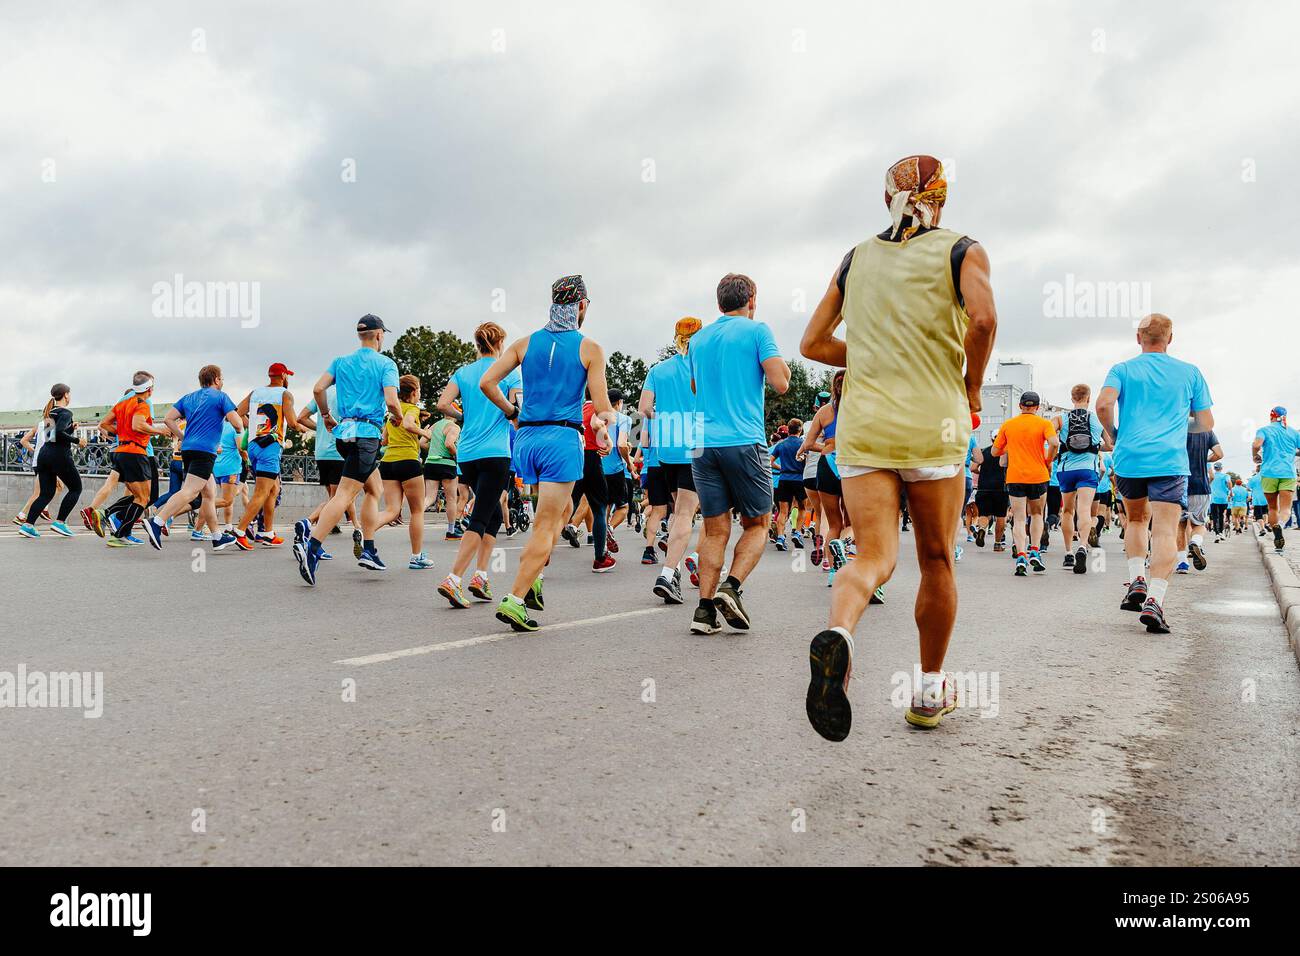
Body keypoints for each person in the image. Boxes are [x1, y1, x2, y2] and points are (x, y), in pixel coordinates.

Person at [800, 155, 996, 738]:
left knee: (871, 558)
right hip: (933, 425)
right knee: (935, 559)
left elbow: (812, 343)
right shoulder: (963, 249)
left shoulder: (855, 257)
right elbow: (983, 321)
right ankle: (930, 692)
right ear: (941, 198)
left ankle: (839, 634)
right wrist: (972, 386)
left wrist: (867, 356)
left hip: (863, 427)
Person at [479, 275, 616, 631]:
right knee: (545, 524)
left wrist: (512, 414)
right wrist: (606, 429)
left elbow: (487, 383)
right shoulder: (590, 349)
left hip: (526, 440)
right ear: (581, 305)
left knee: (563, 510)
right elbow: (602, 407)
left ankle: (535, 575)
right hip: (562, 439)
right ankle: (515, 599)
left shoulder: (524, 344)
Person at [686, 273, 790, 635]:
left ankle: (703, 610)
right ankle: (731, 587)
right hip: (743, 439)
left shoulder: (696, 341)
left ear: (719, 304)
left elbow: (696, 385)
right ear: (752, 299)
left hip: (702, 443)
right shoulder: (758, 330)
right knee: (758, 523)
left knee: (715, 531)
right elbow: (780, 382)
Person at [1097, 313, 1213, 635]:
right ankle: (1155, 600)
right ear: (1170, 338)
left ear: (1138, 337)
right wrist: (1175, 425)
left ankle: (1136, 580)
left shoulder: (1122, 369)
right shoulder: (1190, 373)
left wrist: (1116, 434)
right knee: (1164, 529)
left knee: (1135, 520)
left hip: (1130, 458)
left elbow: (1104, 404)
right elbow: (1206, 423)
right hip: (1169, 461)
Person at [293, 314, 402, 585]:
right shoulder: (386, 364)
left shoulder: (340, 362)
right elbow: (391, 400)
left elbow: (318, 388)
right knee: (343, 496)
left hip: (344, 435)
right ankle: (313, 548)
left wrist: (327, 415)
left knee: (374, 490)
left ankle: (369, 549)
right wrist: (398, 417)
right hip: (367, 436)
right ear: (378, 335)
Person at [435, 322, 521, 607]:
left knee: (494, 515)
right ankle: (454, 579)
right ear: (500, 343)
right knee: (481, 518)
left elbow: (443, 404)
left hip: (467, 454)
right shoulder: (509, 373)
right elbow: (517, 415)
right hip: (495, 454)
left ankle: (481, 577)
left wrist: (464, 417)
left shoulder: (463, 372)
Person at [141, 365, 245, 550]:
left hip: (188, 450)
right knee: (190, 491)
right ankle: (157, 522)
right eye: (221, 379)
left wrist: (183, 438)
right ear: (216, 379)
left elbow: (168, 419)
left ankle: (217, 536)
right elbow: (237, 423)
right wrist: (241, 431)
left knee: (209, 492)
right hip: (205, 452)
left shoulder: (189, 397)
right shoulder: (221, 397)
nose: (222, 382)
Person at [641, 316, 704, 603]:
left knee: (680, 509)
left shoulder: (658, 369)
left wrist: (665, 419)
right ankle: (667, 574)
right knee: (685, 514)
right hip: (695, 446)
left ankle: (676, 566)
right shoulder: (703, 367)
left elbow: (644, 408)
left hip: (666, 450)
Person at [232, 363, 301, 549]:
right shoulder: (285, 394)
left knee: (273, 489)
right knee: (262, 492)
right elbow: (293, 423)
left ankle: (267, 532)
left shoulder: (255, 392)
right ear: (284, 376)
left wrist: (253, 426)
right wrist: (304, 429)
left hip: (254, 445)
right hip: (270, 447)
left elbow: (237, 412)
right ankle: (239, 531)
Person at [98, 373, 170, 547]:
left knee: (140, 496)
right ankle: (118, 532)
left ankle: (109, 517)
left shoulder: (122, 404)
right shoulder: (142, 404)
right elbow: (138, 425)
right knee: (143, 499)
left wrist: (122, 433)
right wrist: (160, 431)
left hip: (120, 451)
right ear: (149, 389)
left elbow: (104, 424)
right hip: (135, 453)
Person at [992, 392, 1058, 576]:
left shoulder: (1008, 424)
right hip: (1038, 475)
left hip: (1015, 476)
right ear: (1037, 407)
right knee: (1037, 515)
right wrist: (1048, 459)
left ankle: (1021, 555)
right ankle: (1035, 550)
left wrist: (1011, 445)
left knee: (1019, 518)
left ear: (1020, 406)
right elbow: (1054, 442)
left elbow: (995, 452)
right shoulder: (1044, 424)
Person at [373, 374, 435, 569]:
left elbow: (384, 441)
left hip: (388, 463)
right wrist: (425, 433)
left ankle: (366, 532)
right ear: (414, 392)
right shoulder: (412, 409)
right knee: (417, 511)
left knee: (392, 511)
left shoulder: (391, 415)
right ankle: (416, 557)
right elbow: (408, 424)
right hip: (408, 462)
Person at [297, 381, 361, 558]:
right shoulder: (348, 394)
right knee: (339, 497)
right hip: (338, 452)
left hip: (321, 452)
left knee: (341, 496)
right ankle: (308, 524)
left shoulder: (322, 395)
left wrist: (320, 428)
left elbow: (301, 417)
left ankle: (356, 527)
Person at [1052, 384, 1110, 573]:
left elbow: (1050, 437)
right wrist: (1093, 447)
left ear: (1071, 398)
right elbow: (1109, 445)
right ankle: (1083, 546)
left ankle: (1069, 552)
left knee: (1067, 511)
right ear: (1089, 398)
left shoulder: (1060, 419)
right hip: (1088, 469)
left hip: (1066, 469)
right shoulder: (1096, 420)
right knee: (1084, 510)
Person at [17, 384, 84, 538]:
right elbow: (59, 434)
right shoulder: (66, 412)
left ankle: (28, 525)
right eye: (70, 394)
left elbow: (50, 436)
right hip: (59, 455)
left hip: (44, 455)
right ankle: (60, 522)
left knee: (45, 494)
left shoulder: (50, 413)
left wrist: (71, 428)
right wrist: (77, 440)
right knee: (76, 488)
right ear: (66, 395)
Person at [1175, 416, 1222, 573]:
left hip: (1178, 482)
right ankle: (1195, 542)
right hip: (1200, 484)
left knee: (1180, 526)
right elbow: (1219, 453)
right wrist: (1204, 459)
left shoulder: (1177, 425)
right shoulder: (1207, 429)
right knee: (1198, 524)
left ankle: (1182, 563)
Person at [1252, 406, 1300, 553]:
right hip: (1288, 473)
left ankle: (1275, 533)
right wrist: (1292, 453)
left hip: (1269, 473)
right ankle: (1281, 523)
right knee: (1285, 508)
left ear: (1271, 416)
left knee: (1272, 508)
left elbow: (1256, 444)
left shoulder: (1264, 430)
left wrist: (1255, 455)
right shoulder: (1293, 432)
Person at [423, 406, 461, 540]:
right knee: (451, 498)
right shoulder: (454, 427)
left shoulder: (435, 425)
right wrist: (458, 455)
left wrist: (434, 449)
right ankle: (451, 531)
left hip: (430, 463)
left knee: (430, 498)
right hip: (446, 464)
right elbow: (450, 444)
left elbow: (422, 442)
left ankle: (416, 515)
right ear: (456, 415)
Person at [770, 419, 807, 552]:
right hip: (799, 479)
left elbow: (770, 461)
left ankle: (780, 537)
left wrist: (781, 468)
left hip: (784, 479)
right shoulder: (803, 444)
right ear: (800, 430)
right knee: (802, 508)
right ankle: (797, 532)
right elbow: (807, 460)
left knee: (783, 511)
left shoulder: (781, 444)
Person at [1208, 461, 1231, 541]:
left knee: (1215, 517)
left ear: (1214, 468)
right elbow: (1229, 482)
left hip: (1214, 499)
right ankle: (1221, 533)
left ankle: (1217, 534)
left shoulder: (1211, 476)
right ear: (1221, 468)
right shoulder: (1226, 476)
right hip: (1223, 499)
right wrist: (1230, 491)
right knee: (1221, 516)